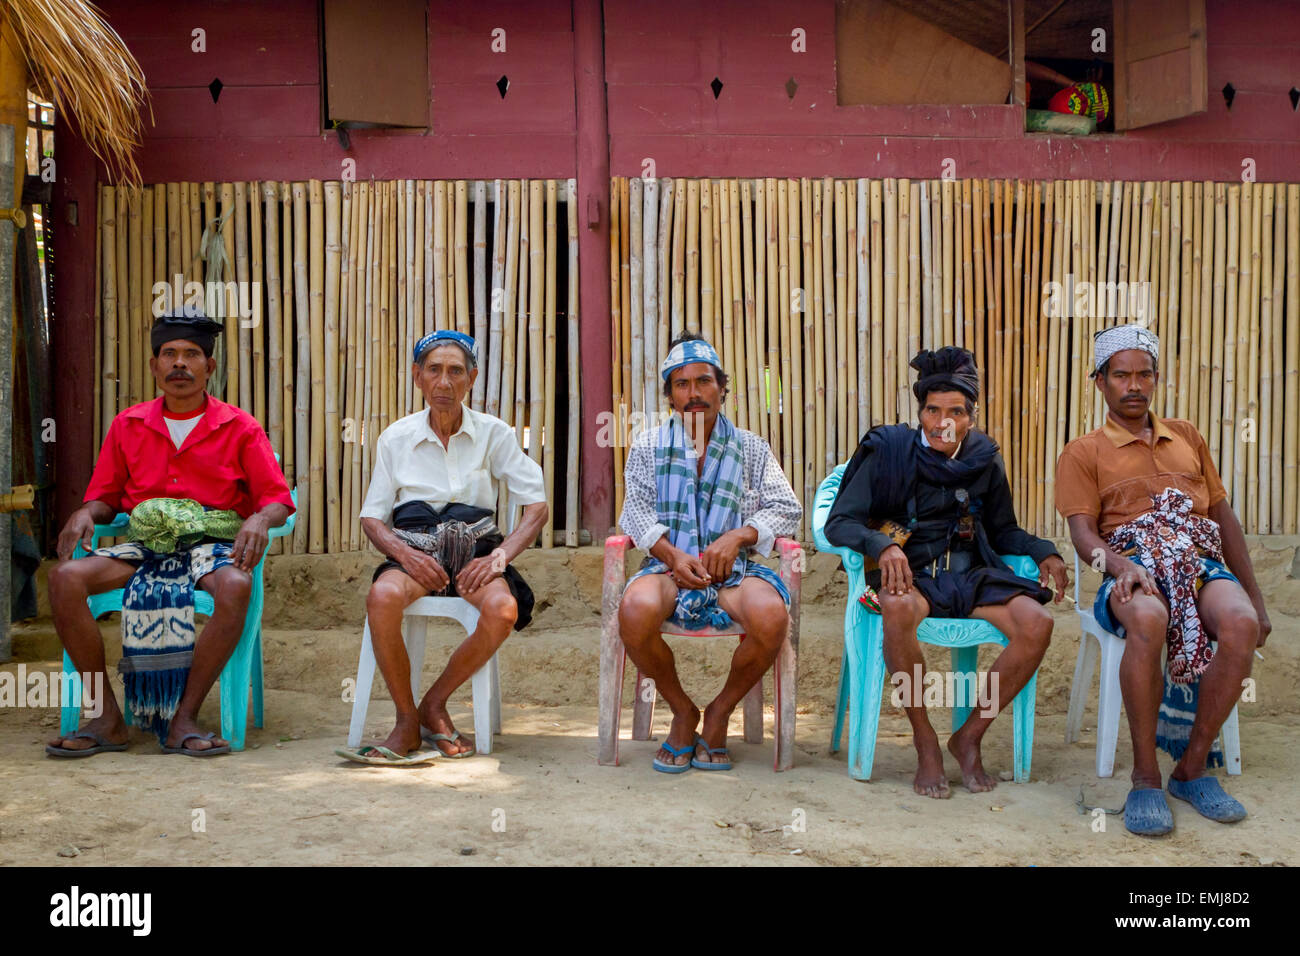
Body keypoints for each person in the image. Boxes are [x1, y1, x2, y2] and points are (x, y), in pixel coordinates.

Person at [47, 307, 294, 758]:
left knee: (236, 585)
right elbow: (107, 497)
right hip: (145, 545)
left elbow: (277, 500)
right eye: (169, 353)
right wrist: (86, 511)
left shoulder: (240, 427)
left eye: (192, 354)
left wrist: (260, 518)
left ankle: (184, 718)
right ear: (154, 365)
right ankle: (107, 718)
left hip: (210, 546)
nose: (179, 363)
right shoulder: (128, 424)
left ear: (209, 367)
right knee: (65, 577)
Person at [824, 347, 1067, 798]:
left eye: (956, 412)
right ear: (920, 413)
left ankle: (969, 736)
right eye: (933, 410)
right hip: (909, 576)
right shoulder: (889, 450)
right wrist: (881, 546)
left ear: (971, 418)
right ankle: (925, 740)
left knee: (1038, 622)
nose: (943, 422)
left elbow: (1004, 529)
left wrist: (1043, 550)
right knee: (896, 607)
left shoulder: (983, 458)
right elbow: (838, 522)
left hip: (970, 574)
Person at [1056, 324, 1270, 836]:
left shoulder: (1187, 436)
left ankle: (1191, 771)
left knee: (1239, 623)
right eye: (1122, 376)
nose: (1134, 385)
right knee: (1149, 617)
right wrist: (1124, 567)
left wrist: (1258, 600)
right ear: (1100, 382)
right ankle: (1146, 778)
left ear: (1156, 379)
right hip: (1127, 567)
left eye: (1144, 375)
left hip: (1197, 561)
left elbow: (1221, 518)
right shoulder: (1083, 452)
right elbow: (1085, 538)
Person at [341, 329, 548, 765]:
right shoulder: (395, 438)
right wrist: (405, 554)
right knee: (382, 597)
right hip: (415, 552)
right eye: (434, 370)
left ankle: (432, 704)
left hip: (476, 554)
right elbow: (372, 518)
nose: (444, 382)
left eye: (456, 371)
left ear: (471, 379)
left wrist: (500, 557)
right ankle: (404, 721)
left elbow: (536, 507)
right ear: (418, 377)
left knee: (503, 609)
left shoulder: (495, 434)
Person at [617, 333, 801, 773]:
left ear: (722, 388)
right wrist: (674, 555)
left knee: (772, 616)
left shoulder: (751, 448)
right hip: (667, 567)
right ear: (670, 396)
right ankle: (683, 710)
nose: (694, 393)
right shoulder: (648, 446)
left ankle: (719, 712)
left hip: (733, 572)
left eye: (704, 381)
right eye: (682, 385)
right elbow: (635, 511)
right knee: (637, 610)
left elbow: (786, 508)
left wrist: (738, 535)